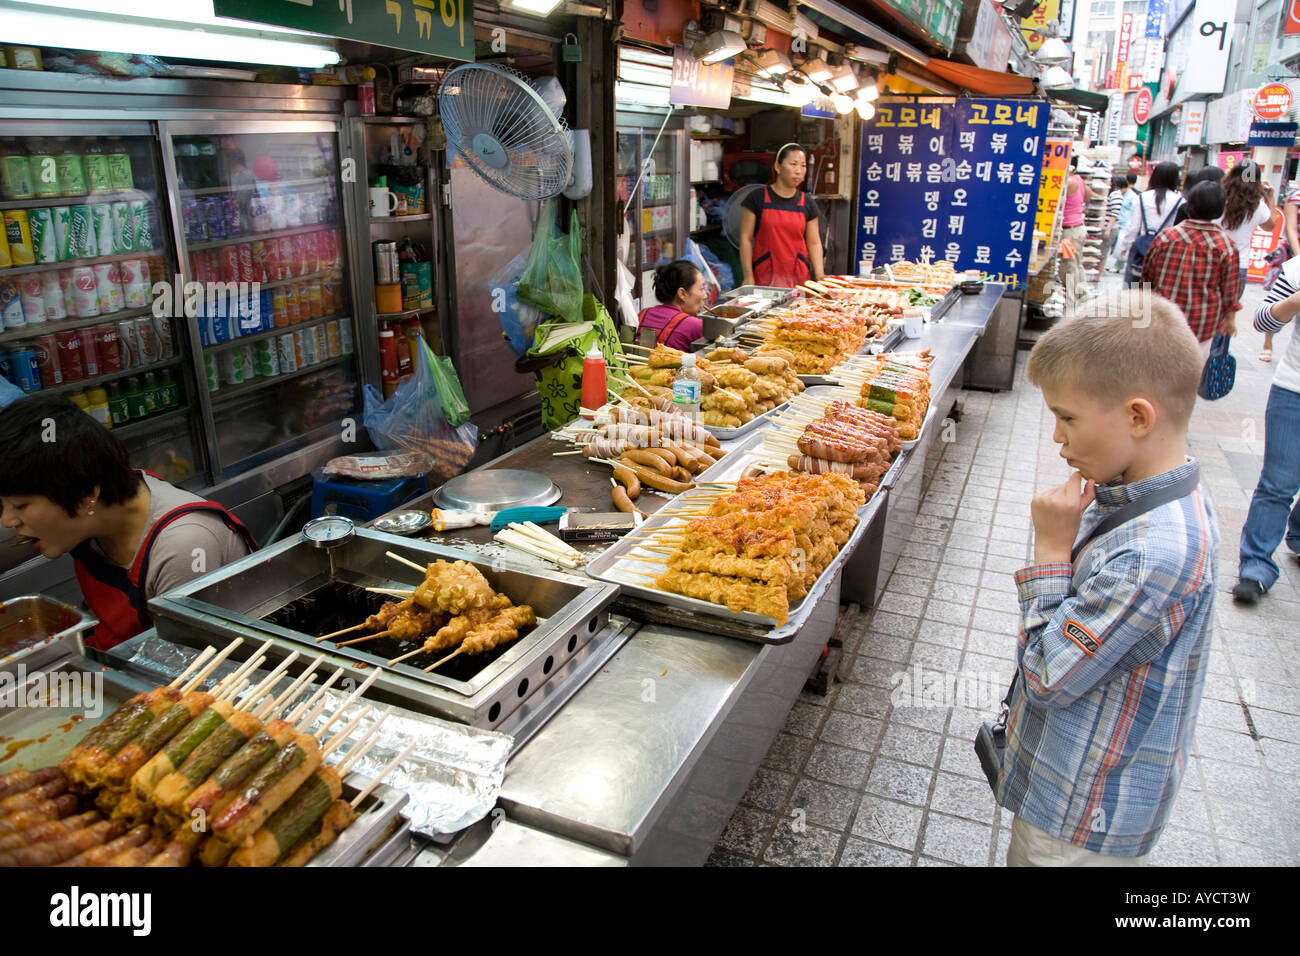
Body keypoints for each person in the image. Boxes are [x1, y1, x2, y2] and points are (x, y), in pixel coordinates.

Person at [1001, 291, 1217, 865]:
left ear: (1138, 417)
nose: (1057, 437)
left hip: (1079, 821)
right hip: (1071, 788)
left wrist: (1050, 551)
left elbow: (1049, 675)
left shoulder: (1155, 551)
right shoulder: (1147, 497)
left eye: (1066, 417)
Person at [0, 396, 256, 650]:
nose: (7, 520)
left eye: (21, 506)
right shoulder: (98, 505)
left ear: (87, 495)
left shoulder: (184, 546)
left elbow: (183, 663)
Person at [1230, 252, 1300, 604]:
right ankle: (1256, 567)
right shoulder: (1297, 268)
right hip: (1295, 390)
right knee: (1279, 483)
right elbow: (1262, 322)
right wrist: (1296, 301)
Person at [1140, 181, 1242, 360]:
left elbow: (1146, 278)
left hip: (1163, 319)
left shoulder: (1165, 238)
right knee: (1190, 373)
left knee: (1156, 370)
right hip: (1203, 323)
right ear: (1220, 209)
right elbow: (1230, 290)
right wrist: (1230, 318)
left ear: (1189, 205)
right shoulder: (1225, 245)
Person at [738, 143, 825, 288]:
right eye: (793, 164)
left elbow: (814, 243)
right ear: (777, 167)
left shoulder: (807, 203)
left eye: (803, 166)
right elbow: (745, 239)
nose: (799, 171)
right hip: (764, 277)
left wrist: (821, 277)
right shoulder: (756, 198)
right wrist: (748, 276)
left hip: (799, 279)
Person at [1115, 161, 1184, 284]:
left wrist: (1125, 246)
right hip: (1166, 250)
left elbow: (1133, 227)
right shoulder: (1180, 201)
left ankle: (1140, 303)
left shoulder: (1142, 198)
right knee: (1158, 288)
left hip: (1141, 248)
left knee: (1135, 289)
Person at [1059, 156, 1106, 302]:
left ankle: (1072, 300)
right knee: (1076, 264)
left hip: (1069, 231)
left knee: (1068, 266)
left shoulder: (1070, 182)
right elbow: (1091, 195)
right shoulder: (1079, 180)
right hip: (1078, 228)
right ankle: (1084, 295)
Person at [638, 259, 706, 350]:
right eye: (701, 289)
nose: (705, 295)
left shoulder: (643, 314)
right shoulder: (695, 325)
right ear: (682, 294)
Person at [1107, 173, 1139, 273]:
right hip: (1116, 221)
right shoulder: (1119, 194)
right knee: (1113, 244)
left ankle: (1118, 266)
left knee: (1121, 244)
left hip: (1126, 222)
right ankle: (1109, 263)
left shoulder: (1132, 196)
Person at [1100, 175, 1127, 271]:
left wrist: (1108, 229)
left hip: (1110, 227)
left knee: (1103, 251)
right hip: (1106, 226)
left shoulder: (1116, 195)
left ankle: (1097, 276)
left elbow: (1114, 214)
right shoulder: (1111, 193)